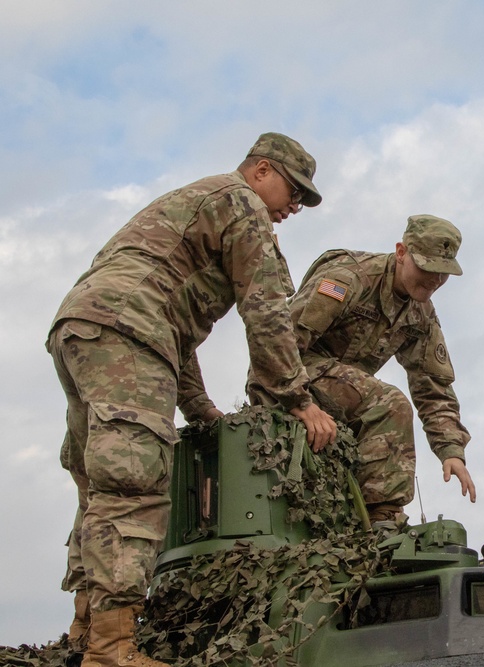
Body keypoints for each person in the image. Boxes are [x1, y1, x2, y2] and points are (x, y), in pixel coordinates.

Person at [47, 132, 339, 667]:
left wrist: (203, 412)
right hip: (131, 331)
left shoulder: (193, 200)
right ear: (262, 171)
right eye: (294, 192)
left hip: (82, 328)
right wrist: (299, 400)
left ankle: (85, 633)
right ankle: (112, 654)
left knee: (100, 489)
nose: (294, 207)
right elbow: (268, 314)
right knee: (134, 485)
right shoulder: (242, 205)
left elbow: (173, 336)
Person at [247, 214, 475, 527]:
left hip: (339, 393)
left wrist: (451, 450)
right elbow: (279, 345)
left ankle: (362, 515)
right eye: (427, 267)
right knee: (390, 404)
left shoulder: (420, 314)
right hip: (291, 374)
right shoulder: (349, 278)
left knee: (378, 409)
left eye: (443, 273)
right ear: (401, 252)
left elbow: (433, 386)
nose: (434, 279)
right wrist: (300, 402)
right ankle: (383, 517)